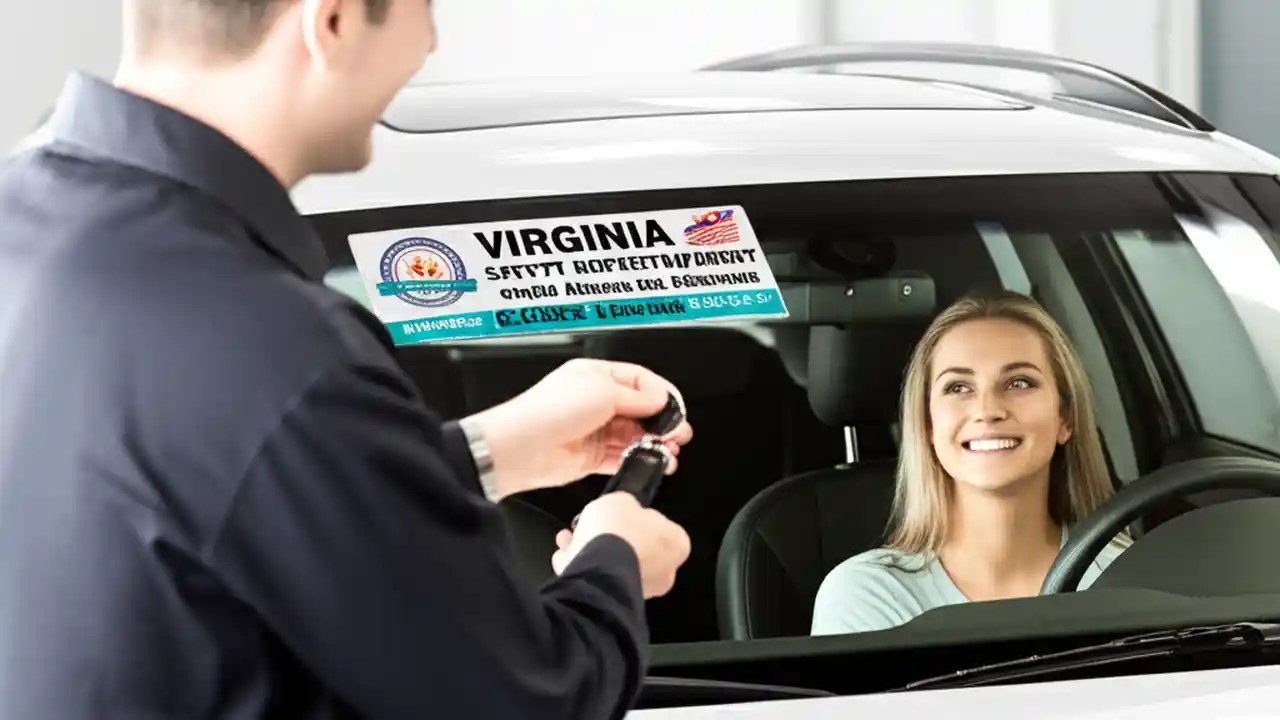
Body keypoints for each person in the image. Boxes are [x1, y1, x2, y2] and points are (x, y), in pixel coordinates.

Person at [0, 1, 694, 718]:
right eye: (420, 11)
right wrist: (612, 562)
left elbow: (227, 499)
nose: (427, 43)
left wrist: (489, 452)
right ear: (329, 20)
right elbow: (529, 700)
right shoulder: (279, 348)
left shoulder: (27, 220)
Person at [811, 290, 1129, 636]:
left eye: (1019, 382)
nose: (988, 410)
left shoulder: (1129, 578)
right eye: (958, 388)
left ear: (1065, 418)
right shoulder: (866, 596)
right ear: (928, 425)